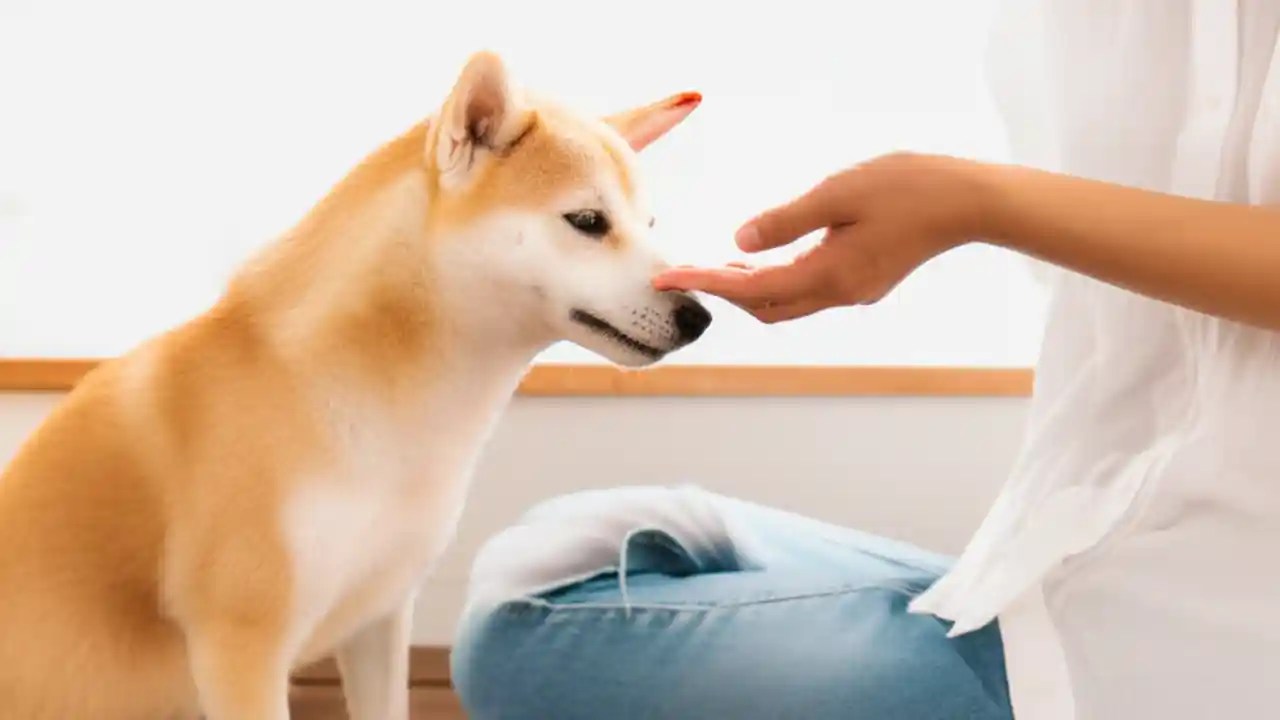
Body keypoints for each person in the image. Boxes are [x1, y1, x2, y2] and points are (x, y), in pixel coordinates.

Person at [449, 2, 1280, 718]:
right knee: (604, 538)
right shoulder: (1073, 32)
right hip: (1080, 556)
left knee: (524, 626)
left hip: (1196, 646)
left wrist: (969, 202)